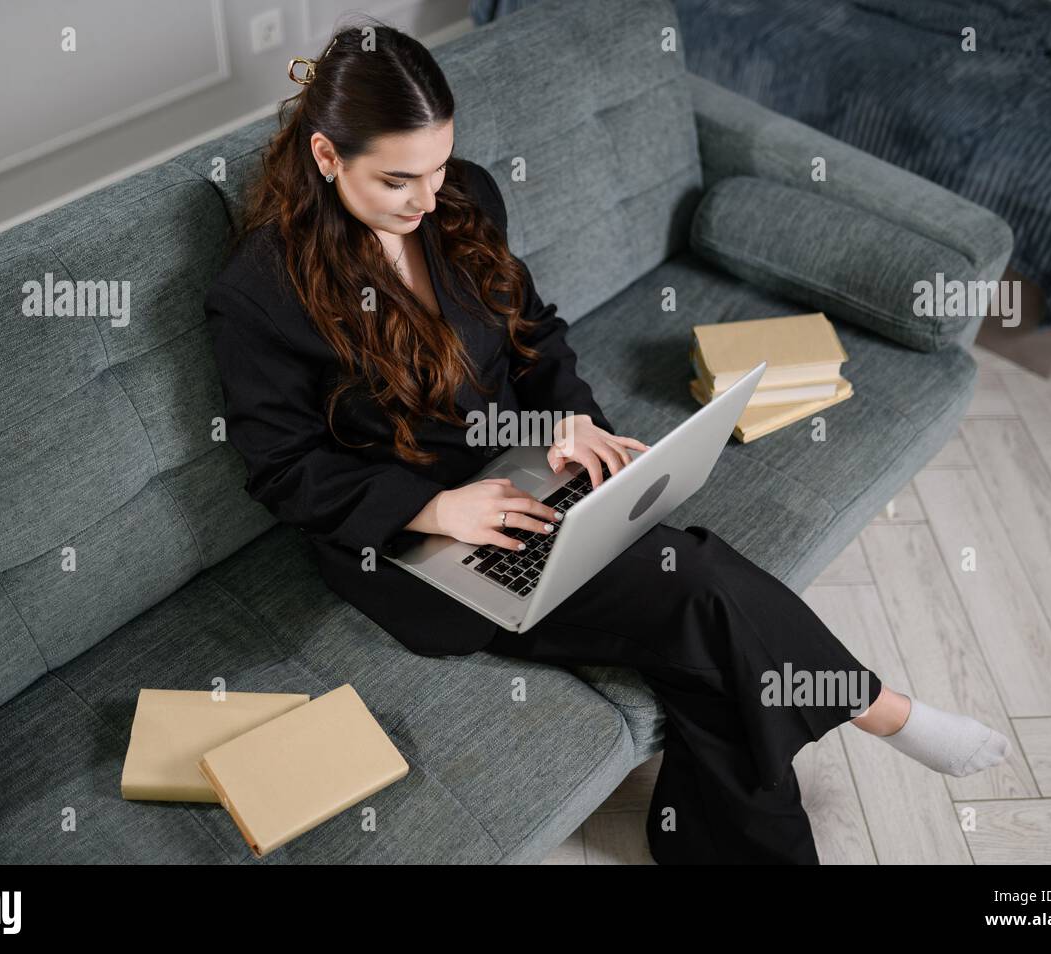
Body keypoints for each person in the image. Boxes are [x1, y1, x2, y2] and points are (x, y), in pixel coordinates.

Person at [205, 23, 1010, 864]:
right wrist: (436, 508)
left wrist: (571, 419)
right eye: (398, 179)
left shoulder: (462, 198)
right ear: (328, 156)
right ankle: (881, 710)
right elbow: (282, 469)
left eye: (439, 167)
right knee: (696, 583)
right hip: (417, 549)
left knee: (703, 662)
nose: (427, 196)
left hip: (529, 474)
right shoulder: (258, 295)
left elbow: (534, 334)